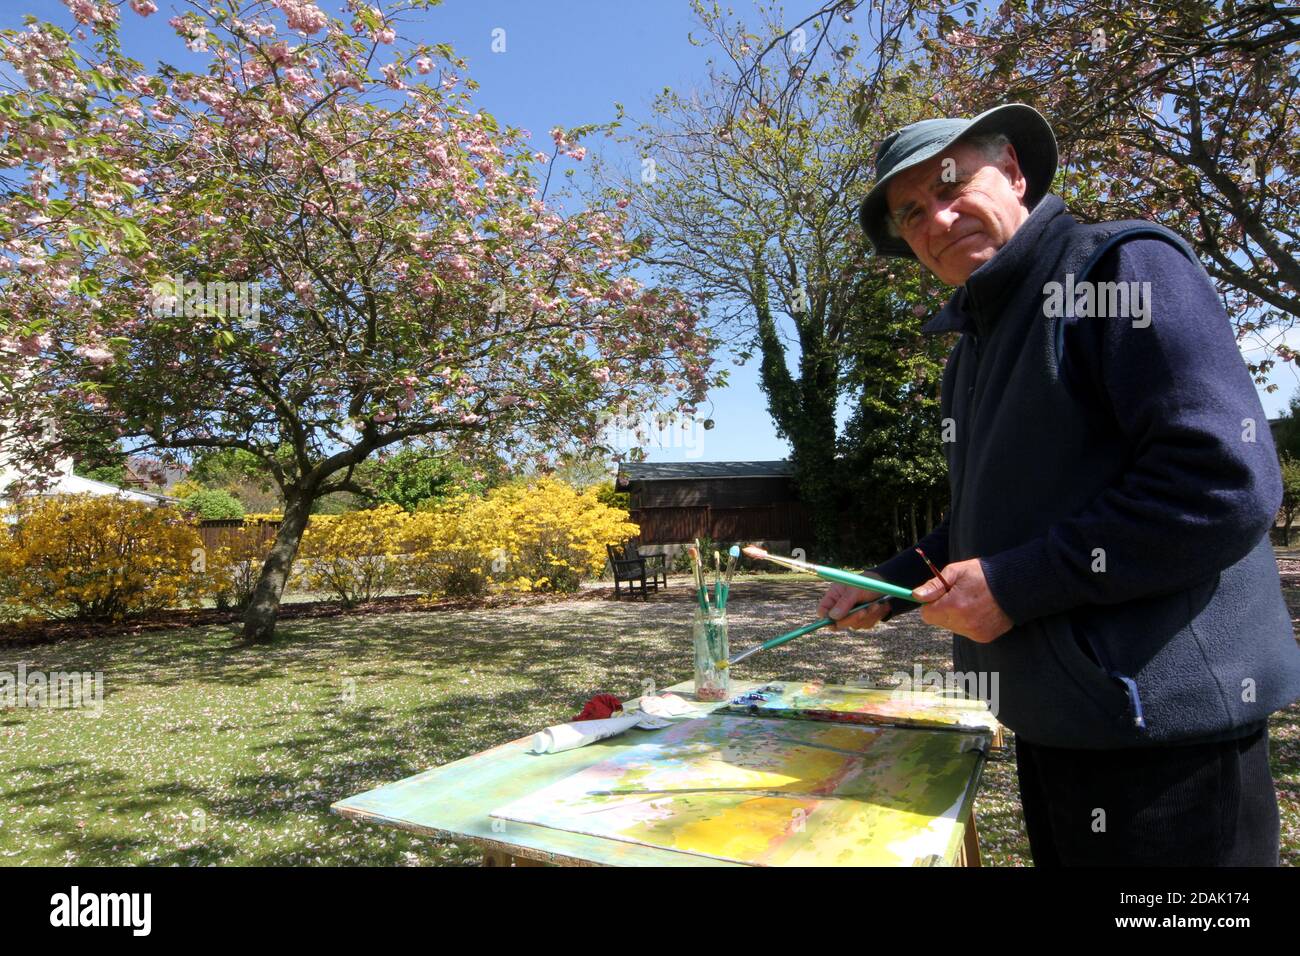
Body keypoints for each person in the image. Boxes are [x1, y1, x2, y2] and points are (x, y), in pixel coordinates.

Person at [820, 103, 1300, 865]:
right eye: (912, 214)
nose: (938, 220)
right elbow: (990, 521)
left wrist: (1015, 584)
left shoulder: (1119, 268)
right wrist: (887, 582)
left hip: (1162, 737)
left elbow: (1222, 482)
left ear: (1012, 169)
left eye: (951, 186)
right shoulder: (970, 355)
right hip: (1051, 720)